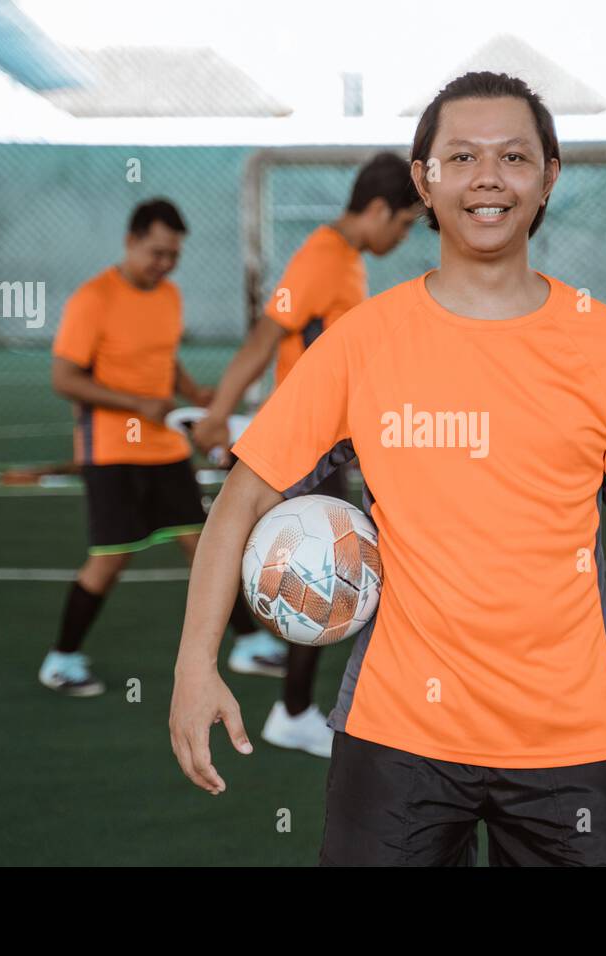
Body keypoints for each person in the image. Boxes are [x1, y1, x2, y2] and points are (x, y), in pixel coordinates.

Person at [170, 71, 606, 866]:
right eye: (462, 156)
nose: (488, 177)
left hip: (575, 736)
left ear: (550, 177)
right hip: (397, 736)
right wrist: (193, 664)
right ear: (425, 181)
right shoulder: (362, 340)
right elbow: (242, 500)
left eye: (515, 156)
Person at [191, 153, 422, 756]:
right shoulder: (323, 258)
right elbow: (265, 337)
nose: (402, 238)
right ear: (377, 209)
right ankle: (292, 709)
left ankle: (293, 705)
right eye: (402, 224)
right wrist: (219, 413)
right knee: (325, 573)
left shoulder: (345, 259)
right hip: (306, 447)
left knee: (332, 573)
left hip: (331, 449)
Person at [41, 198, 262, 694]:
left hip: (165, 450)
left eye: (173, 256)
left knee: (204, 545)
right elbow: (64, 378)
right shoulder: (93, 299)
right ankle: (61, 658)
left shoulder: (168, 296)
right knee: (110, 560)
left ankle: (249, 643)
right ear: (131, 241)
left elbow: (164, 357)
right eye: (157, 253)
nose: (164, 264)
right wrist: (136, 404)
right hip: (112, 452)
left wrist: (193, 393)